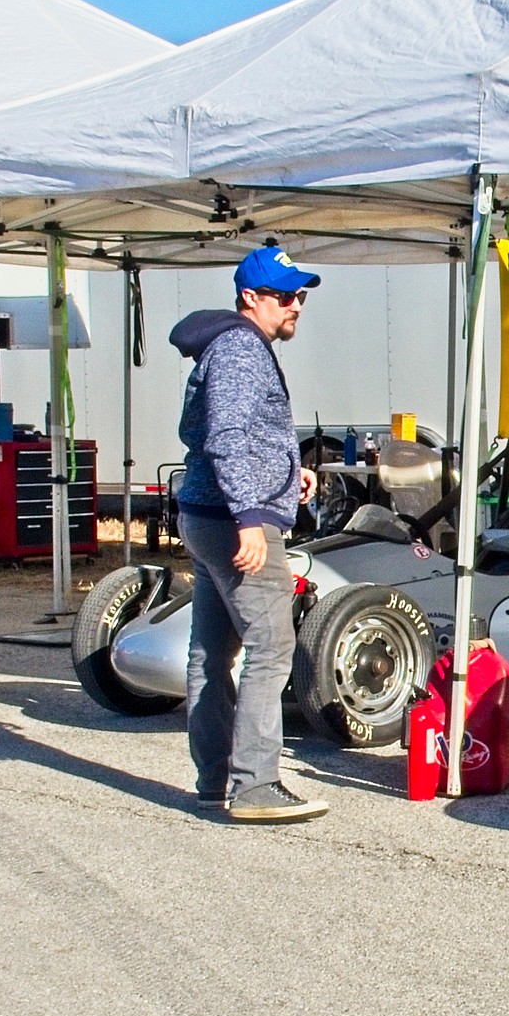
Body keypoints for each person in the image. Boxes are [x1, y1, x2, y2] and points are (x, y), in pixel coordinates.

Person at [170, 247, 327, 823]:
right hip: (233, 521)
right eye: (286, 297)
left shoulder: (233, 345)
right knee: (272, 646)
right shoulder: (240, 349)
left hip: (207, 514)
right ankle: (256, 785)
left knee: (212, 651)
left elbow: (242, 437)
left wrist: (290, 474)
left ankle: (215, 780)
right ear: (251, 299)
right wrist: (250, 517)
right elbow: (227, 436)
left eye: (301, 296)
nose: (296, 308)